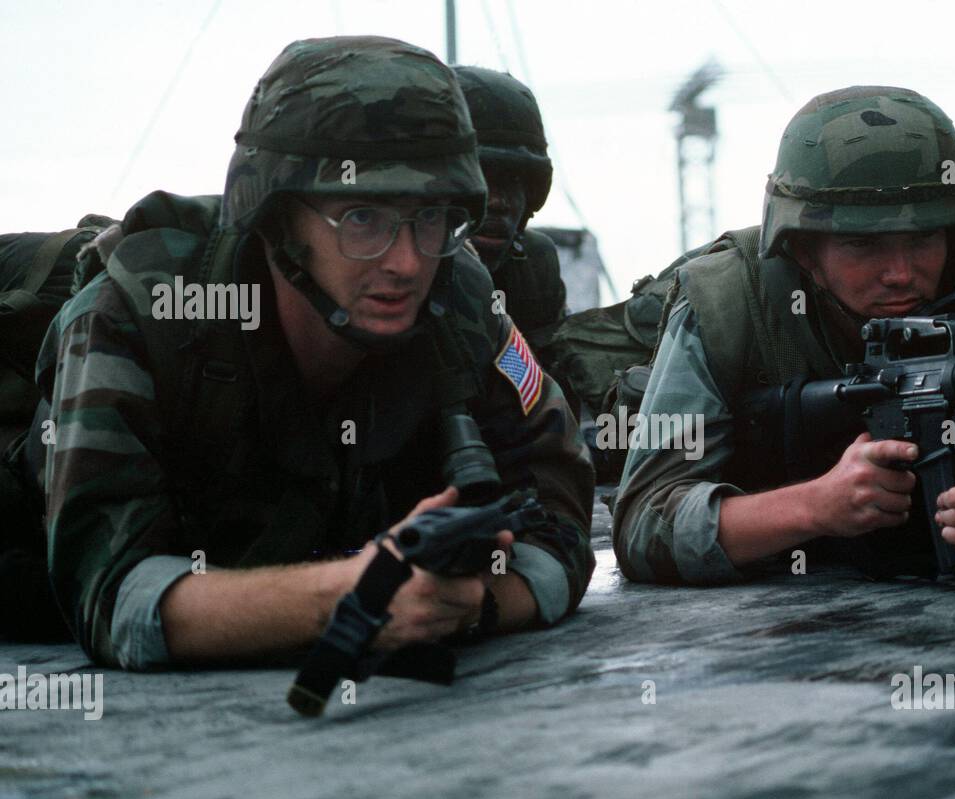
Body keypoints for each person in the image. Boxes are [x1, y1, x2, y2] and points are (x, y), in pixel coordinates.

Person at [12, 36, 594, 669]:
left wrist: (468, 605)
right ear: (279, 220)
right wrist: (348, 597)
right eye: (363, 218)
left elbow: (560, 512)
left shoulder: (463, 298)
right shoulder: (142, 312)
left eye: (430, 218)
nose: (405, 263)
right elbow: (110, 597)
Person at [614, 86, 955, 585]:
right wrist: (814, 506)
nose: (899, 273)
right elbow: (643, 523)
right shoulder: (725, 305)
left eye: (922, 239)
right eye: (862, 244)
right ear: (802, 250)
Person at [453, 66, 570, 391]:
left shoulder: (533, 266)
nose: (500, 202)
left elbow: (544, 392)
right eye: (483, 178)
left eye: (514, 182)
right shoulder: (406, 266)